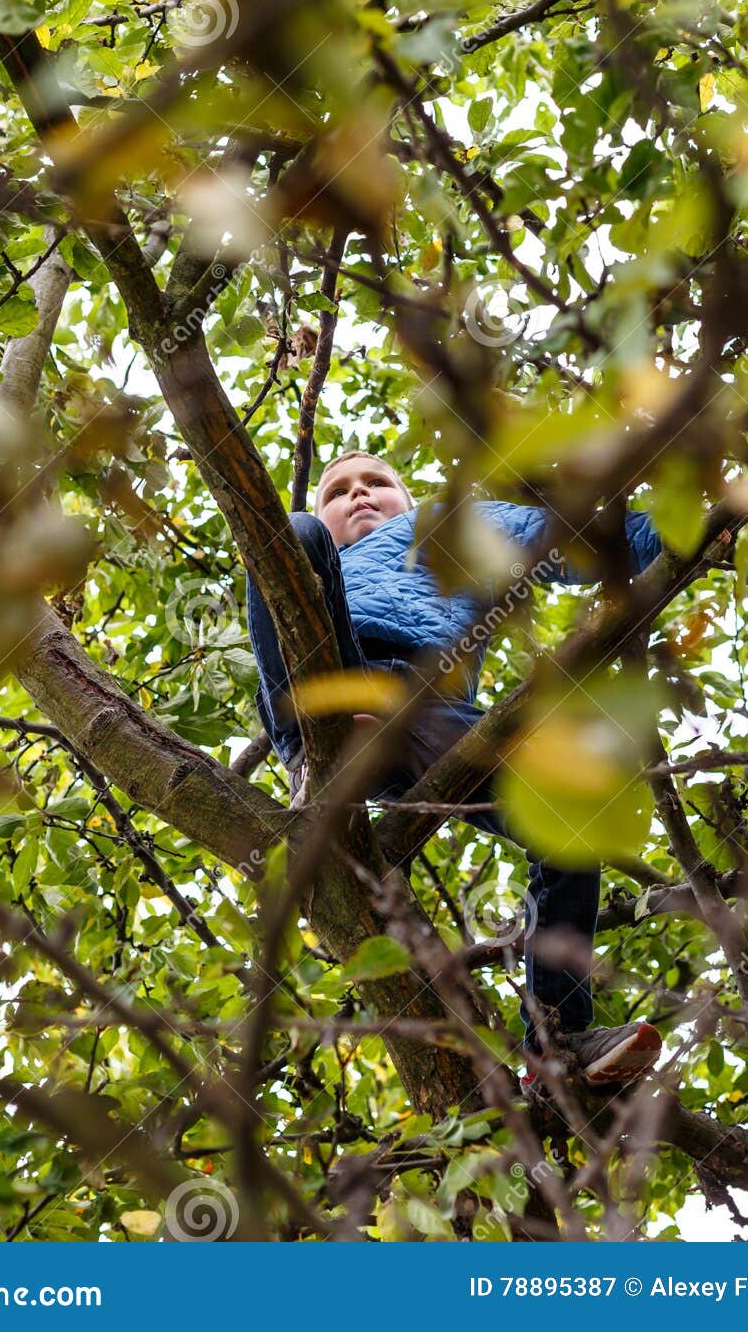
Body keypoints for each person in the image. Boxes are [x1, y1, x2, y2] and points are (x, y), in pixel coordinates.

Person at [245, 449, 665, 1091]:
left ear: (408, 501)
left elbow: (562, 543)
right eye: (338, 491)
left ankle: (560, 1046)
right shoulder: (314, 544)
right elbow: (290, 547)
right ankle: (312, 760)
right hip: (325, 682)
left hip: (425, 713)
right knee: (285, 532)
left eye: (377, 483)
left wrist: (681, 528)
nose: (357, 495)